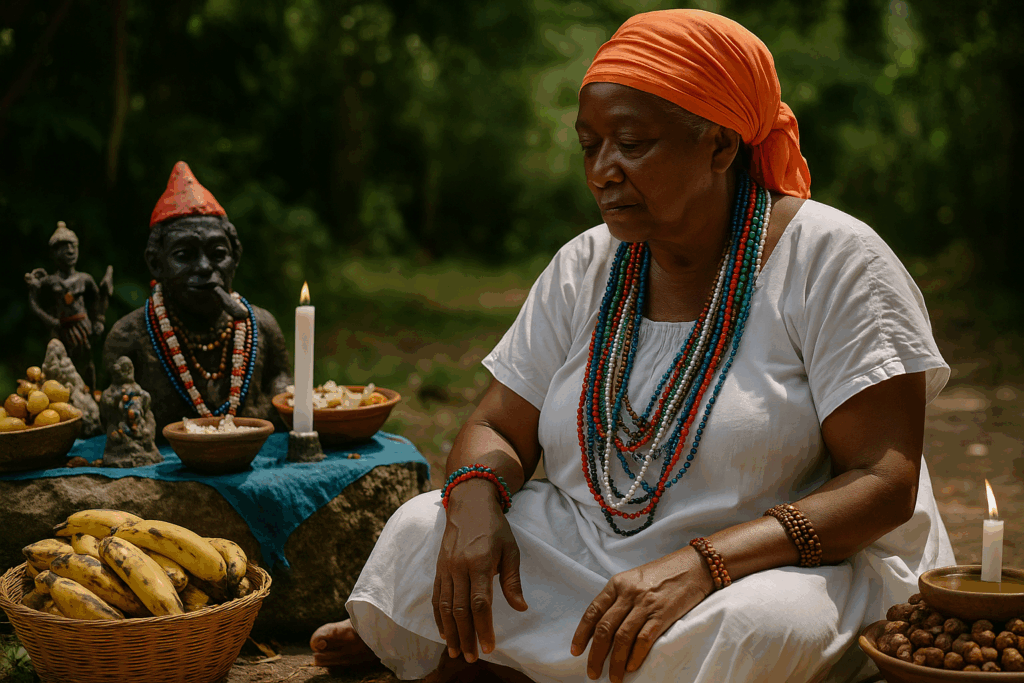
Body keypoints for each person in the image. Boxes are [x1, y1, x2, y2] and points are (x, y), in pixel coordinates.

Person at [311, 9, 953, 683]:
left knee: (752, 631)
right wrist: (473, 509)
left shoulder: (835, 260)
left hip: (778, 570)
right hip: (592, 551)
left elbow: (884, 482)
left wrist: (705, 565)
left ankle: (492, 659)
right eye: (590, 146)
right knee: (422, 530)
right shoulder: (587, 264)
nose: (603, 171)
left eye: (632, 143)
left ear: (720, 146)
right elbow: (498, 424)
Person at [103, 161, 292, 434]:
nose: (204, 267)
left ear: (235, 258)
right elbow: (115, 410)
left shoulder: (261, 327)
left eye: (217, 254)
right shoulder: (129, 336)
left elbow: (281, 379)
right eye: (184, 255)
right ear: (156, 263)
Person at [24, 221, 114, 394]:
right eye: (64, 248)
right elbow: (34, 303)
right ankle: (61, 397)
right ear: (54, 253)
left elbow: (97, 300)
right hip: (61, 329)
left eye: (73, 247)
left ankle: (90, 393)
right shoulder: (50, 282)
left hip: (82, 327)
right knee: (60, 364)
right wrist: (49, 320)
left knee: (87, 362)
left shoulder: (84, 279)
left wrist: (98, 320)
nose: (70, 252)